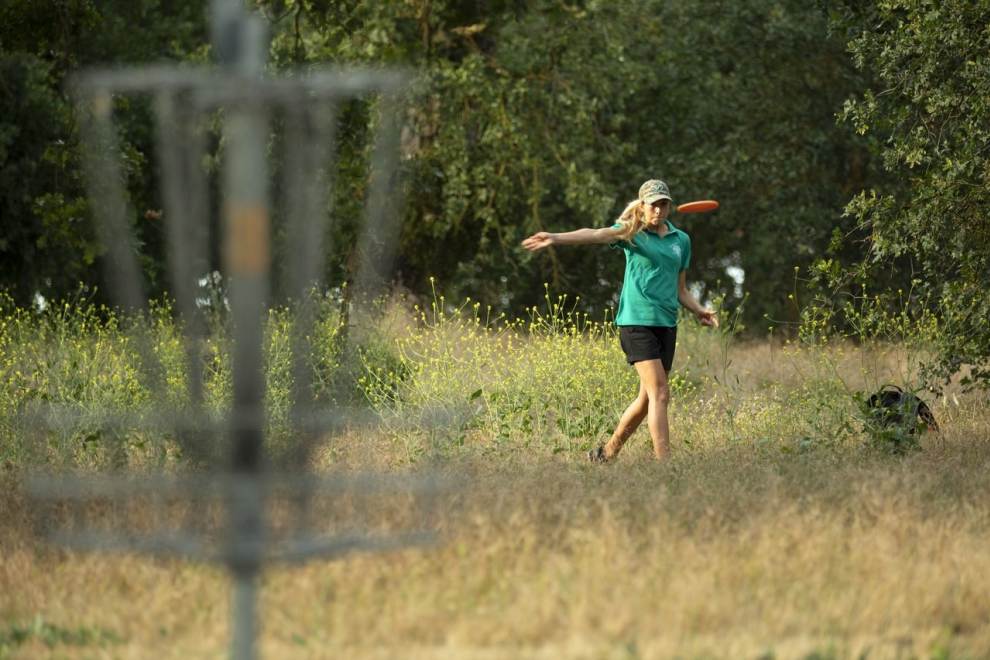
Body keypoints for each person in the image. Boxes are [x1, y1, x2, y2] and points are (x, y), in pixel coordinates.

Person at [521, 179, 718, 462]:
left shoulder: (681, 240)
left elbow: (681, 290)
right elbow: (596, 234)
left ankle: (606, 453)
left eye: (664, 204)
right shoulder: (631, 233)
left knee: (647, 399)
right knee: (661, 393)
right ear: (642, 206)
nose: (659, 211)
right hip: (636, 322)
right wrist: (556, 237)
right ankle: (668, 466)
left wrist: (699, 310)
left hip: (666, 324)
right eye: (654, 205)